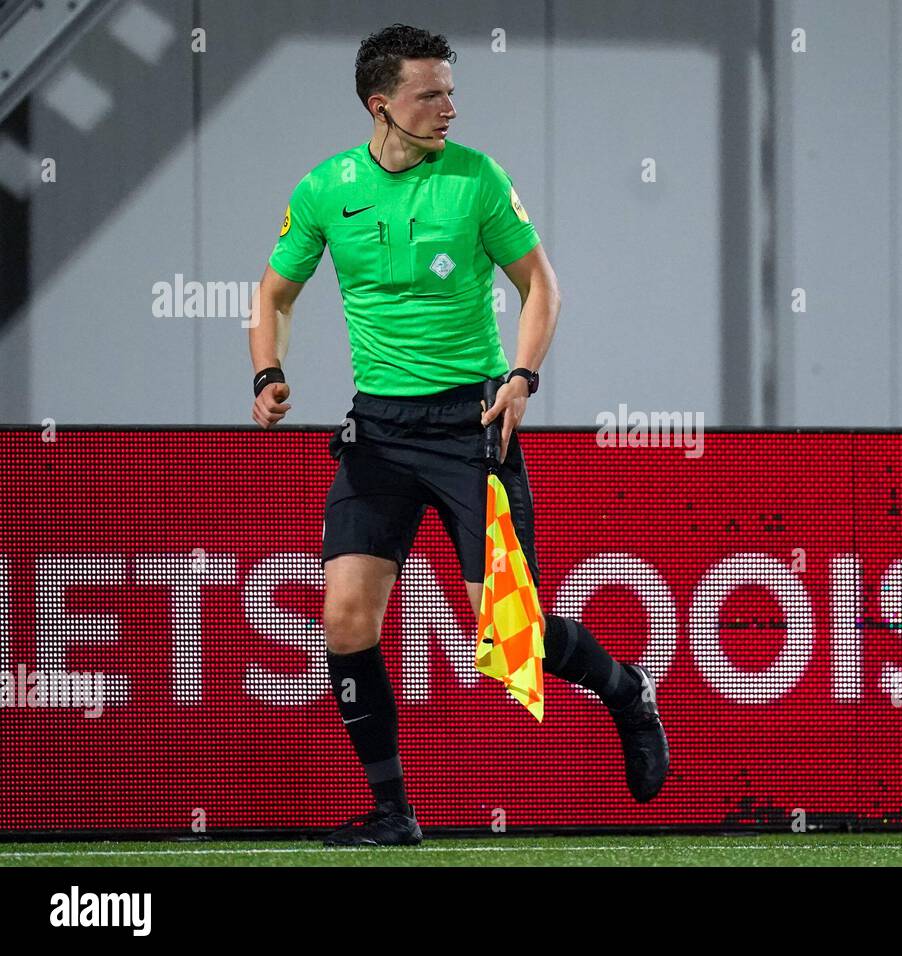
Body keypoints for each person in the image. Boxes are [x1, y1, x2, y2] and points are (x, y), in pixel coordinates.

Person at [248, 24, 668, 846]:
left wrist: (522, 376)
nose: (449, 106)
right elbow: (274, 294)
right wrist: (268, 372)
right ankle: (393, 812)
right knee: (344, 618)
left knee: (513, 640)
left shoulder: (477, 180)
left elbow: (541, 287)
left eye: (450, 90)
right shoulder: (325, 189)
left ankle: (626, 691)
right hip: (377, 432)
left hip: (471, 425)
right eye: (429, 94)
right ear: (382, 106)